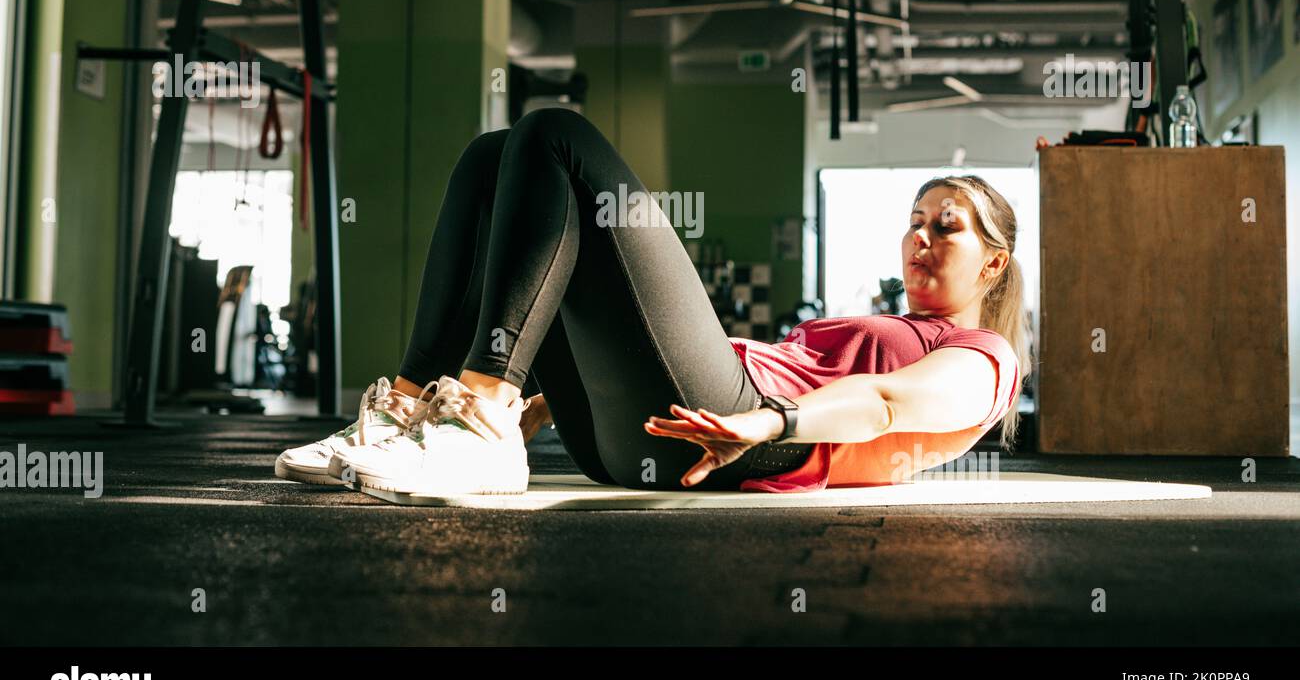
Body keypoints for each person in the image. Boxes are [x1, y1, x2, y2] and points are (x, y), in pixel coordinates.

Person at [275, 108, 1029, 496]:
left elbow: (889, 406)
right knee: (493, 154)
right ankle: (405, 414)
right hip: (638, 434)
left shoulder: (986, 359)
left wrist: (770, 421)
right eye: (915, 221)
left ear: (994, 263)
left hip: (736, 439)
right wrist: (555, 398)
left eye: (947, 228)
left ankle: (479, 414)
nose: (921, 238)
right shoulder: (903, 322)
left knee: (556, 137)